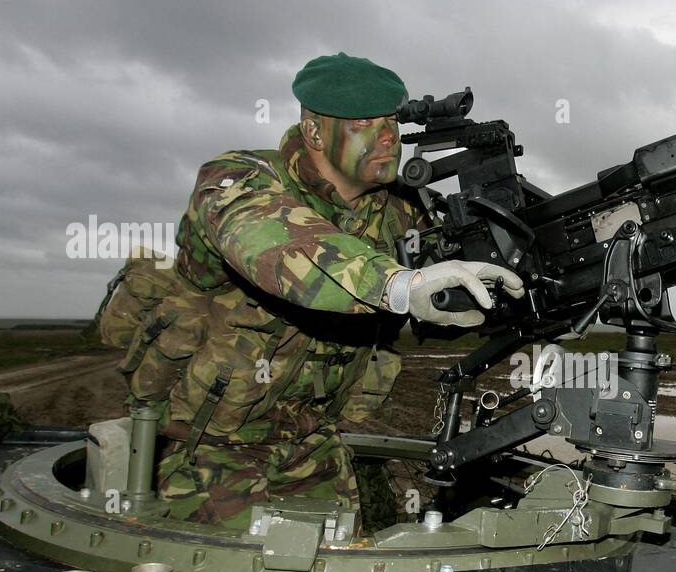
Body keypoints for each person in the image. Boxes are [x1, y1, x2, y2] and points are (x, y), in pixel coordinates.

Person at [136, 52, 522, 531]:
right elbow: (279, 242)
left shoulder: (401, 215)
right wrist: (398, 283)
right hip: (213, 446)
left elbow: (444, 296)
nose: (388, 137)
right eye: (365, 122)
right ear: (315, 133)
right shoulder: (240, 179)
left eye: (392, 123)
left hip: (311, 441)